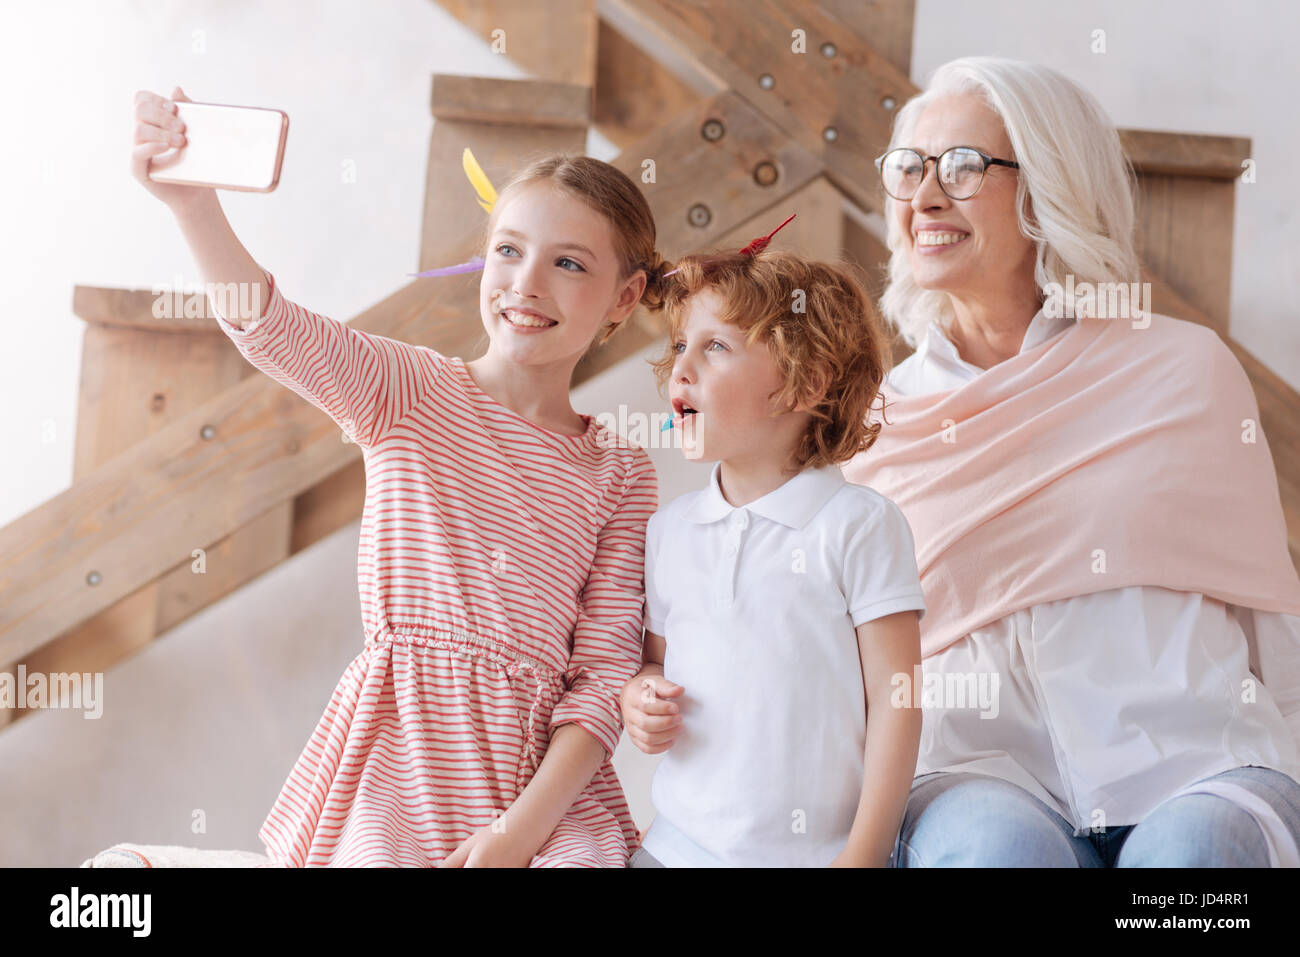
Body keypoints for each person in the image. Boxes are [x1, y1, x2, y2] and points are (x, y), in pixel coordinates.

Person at [129, 87, 669, 866]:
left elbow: (602, 678)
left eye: (569, 263)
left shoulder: (619, 469)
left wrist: (513, 837)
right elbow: (270, 328)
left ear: (625, 298)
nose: (526, 283)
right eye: (510, 250)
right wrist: (192, 208)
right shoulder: (408, 389)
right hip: (399, 762)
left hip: (543, 796)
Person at [842, 57, 1300, 867]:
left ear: (1048, 185)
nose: (924, 195)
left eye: (962, 166)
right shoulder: (874, 423)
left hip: (1199, 761)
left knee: (1195, 860)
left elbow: (1269, 609)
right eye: (909, 168)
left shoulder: (1184, 368)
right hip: (975, 768)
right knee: (995, 855)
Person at [621, 247, 926, 867]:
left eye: (716, 348)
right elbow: (654, 662)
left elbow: (899, 702)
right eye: (681, 345)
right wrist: (640, 699)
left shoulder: (859, 525)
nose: (681, 369)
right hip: (674, 848)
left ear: (803, 385)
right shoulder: (669, 530)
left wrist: (866, 853)